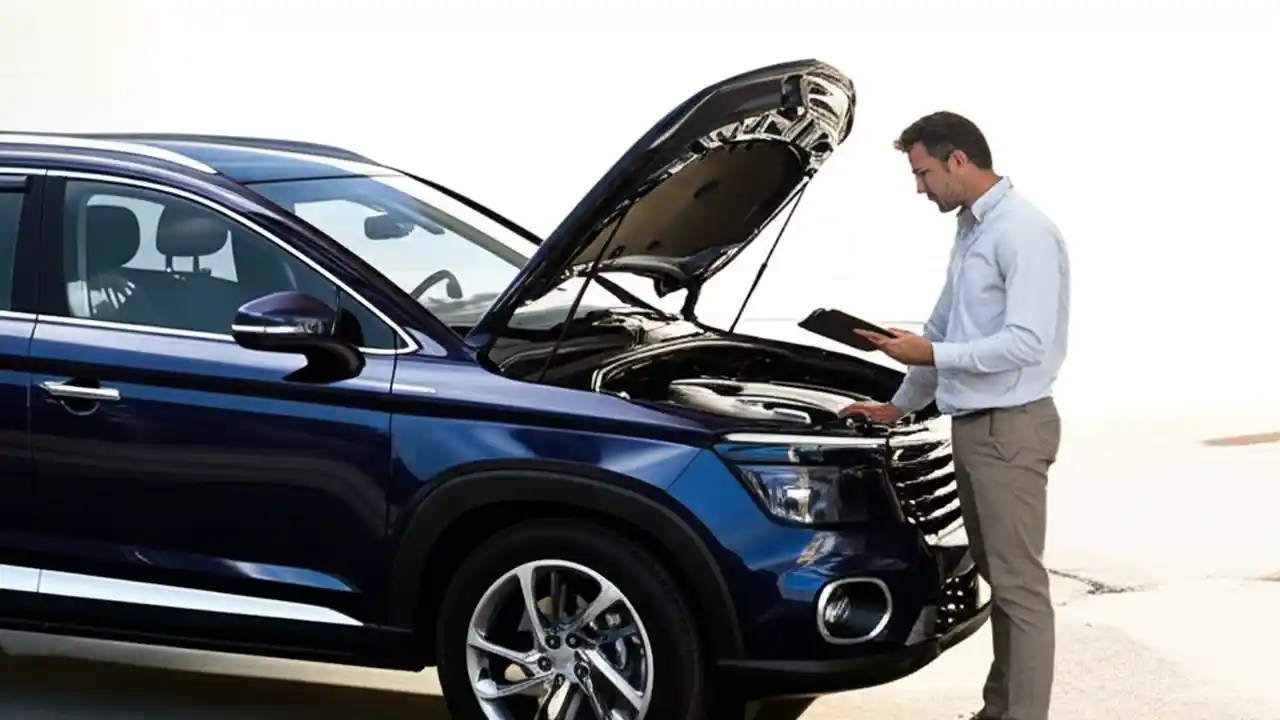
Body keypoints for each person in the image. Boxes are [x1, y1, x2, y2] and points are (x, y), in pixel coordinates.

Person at [840, 111, 1069, 720]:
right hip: (975, 428)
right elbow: (942, 329)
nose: (920, 187)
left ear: (959, 161)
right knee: (1006, 582)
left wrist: (932, 352)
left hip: (1012, 426)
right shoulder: (971, 229)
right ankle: (1000, 712)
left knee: (1020, 589)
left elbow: (1027, 342)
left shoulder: (1023, 232)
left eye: (923, 173)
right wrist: (899, 403)